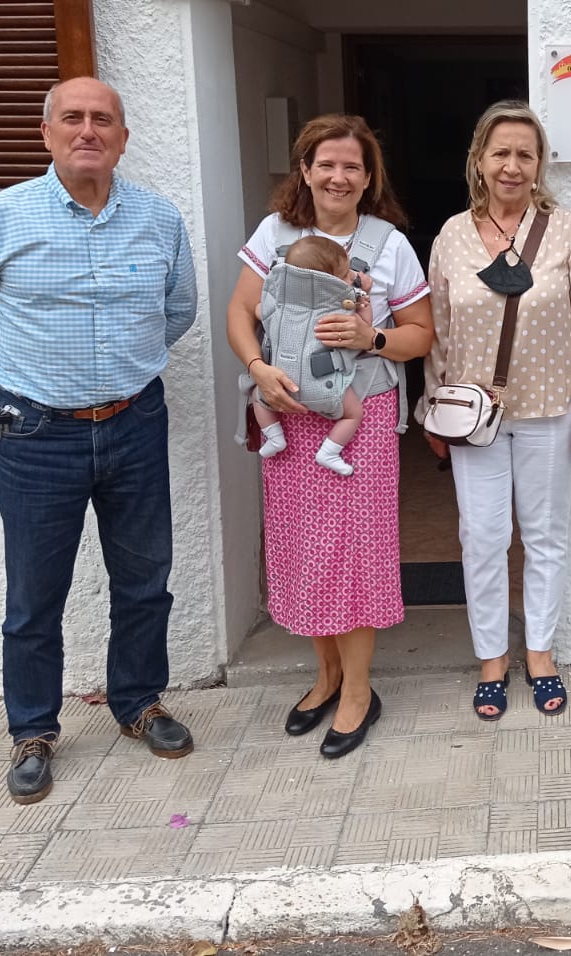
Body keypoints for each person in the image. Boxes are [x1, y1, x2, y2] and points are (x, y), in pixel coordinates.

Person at [0, 77, 198, 805]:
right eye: (74, 119)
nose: (89, 131)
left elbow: (177, 310)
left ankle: (138, 702)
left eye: (103, 120)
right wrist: (36, 376)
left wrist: (119, 372)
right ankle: (32, 731)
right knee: (34, 596)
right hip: (35, 433)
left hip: (135, 421)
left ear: (122, 136)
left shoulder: (158, 218)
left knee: (146, 580)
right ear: (46, 132)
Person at [226, 114, 433, 758]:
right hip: (288, 416)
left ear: (369, 178)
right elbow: (239, 310)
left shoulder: (390, 243)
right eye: (327, 164)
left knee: (355, 550)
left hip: (358, 418)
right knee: (305, 548)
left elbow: (421, 334)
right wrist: (258, 368)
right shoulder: (276, 232)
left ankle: (359, 692)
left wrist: (373, 337)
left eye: (353, 166)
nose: (339, 176)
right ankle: (327, 675)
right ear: (306, 171)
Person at [424, 101, 571, 720]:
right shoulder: (452, 234)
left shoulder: (568, 231)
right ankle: (490, 660)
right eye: (500, 152)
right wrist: (432, 408)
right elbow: (439, 332)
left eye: (524, 154)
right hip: (472, 416)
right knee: (480, 538)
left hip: (549, 408)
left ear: (539, 164)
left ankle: (539, 653)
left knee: (544, 536)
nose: (512, 165)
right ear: (479, 159)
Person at [248, 234, 373, 473]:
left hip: (280, 386)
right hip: (324, 389)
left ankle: (274, 437)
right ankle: (329, 451)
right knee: (353, 414)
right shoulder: (338, 312)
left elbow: (257, 311)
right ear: (331, 282)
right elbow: (363, 330)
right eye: (346, 275)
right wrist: (364, 298)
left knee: (257, 396)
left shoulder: (277, 306)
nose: (351, 278)